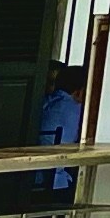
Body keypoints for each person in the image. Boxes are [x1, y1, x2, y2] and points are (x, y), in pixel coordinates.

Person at [35, 64, 83, 198]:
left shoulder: (44, 102)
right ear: (79, 92)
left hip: (29, 177)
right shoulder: (77, 110)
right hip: (55, 183)